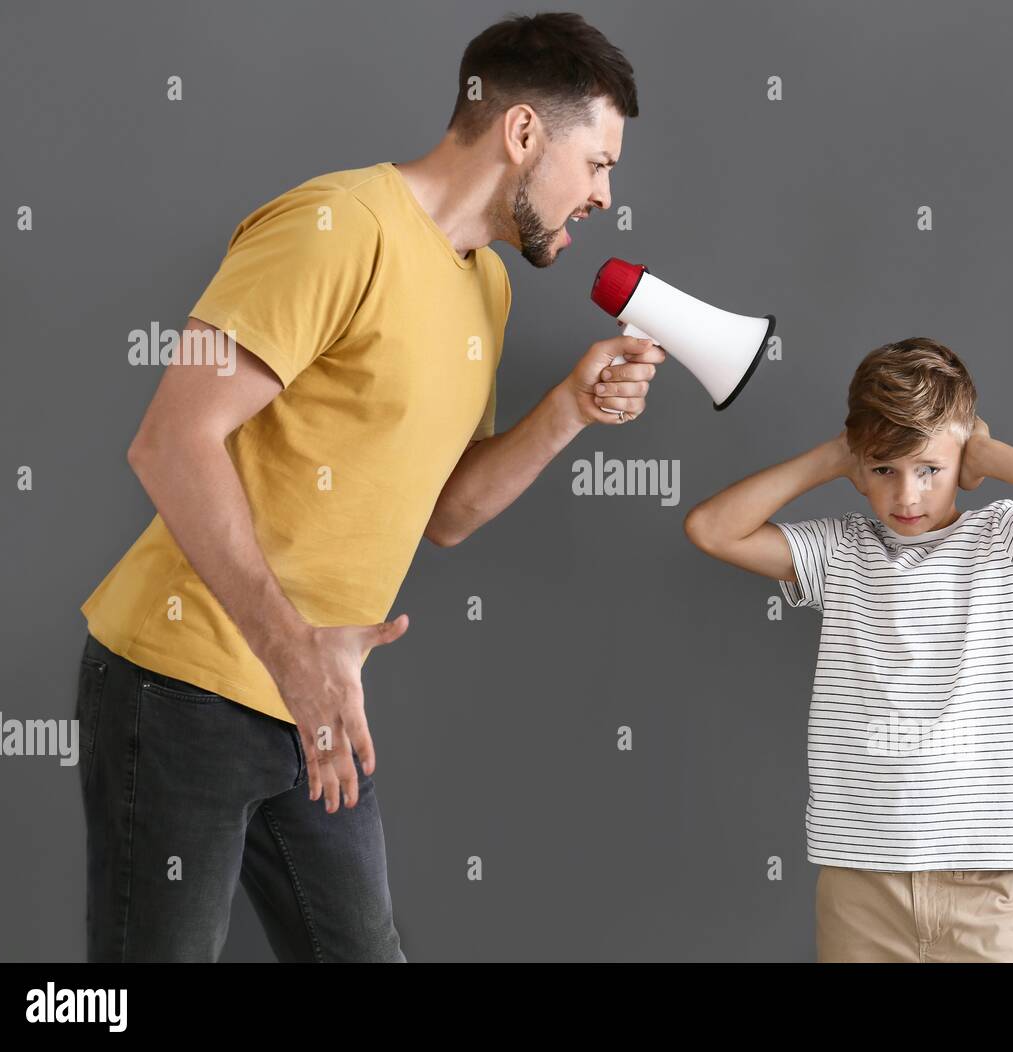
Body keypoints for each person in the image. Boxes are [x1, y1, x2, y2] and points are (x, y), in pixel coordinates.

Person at [73, 12, 664, 962]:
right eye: (596, 163)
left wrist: (568, 410)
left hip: (313, 703)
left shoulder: (487, 288)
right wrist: (295, 653)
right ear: (521, 134)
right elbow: (170, 442)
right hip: (180, 683)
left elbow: (447, 517)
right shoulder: (340, 226)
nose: (604, 195)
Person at [683, 337, 1013, 962]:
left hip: (984, 884)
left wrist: (989, 453)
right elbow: (710, 529)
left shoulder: (1010, 542)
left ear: (962, 462)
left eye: (930, 469)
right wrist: (833, 456)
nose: (907, 496)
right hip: (860, 883)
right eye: (882, 470)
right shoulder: (839, 549)